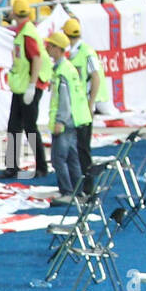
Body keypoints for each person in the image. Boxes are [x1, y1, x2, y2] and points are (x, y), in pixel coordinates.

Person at [0, 0, 51, 181]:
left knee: (30, 127)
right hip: (22, 85)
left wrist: (32, 86)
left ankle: (41, 166)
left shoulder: (27, 34)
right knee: (14, 126)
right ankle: (12, 166)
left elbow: (37, 59)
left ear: (14, 13)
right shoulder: (25, 31)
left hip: (29, 85)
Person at [44, 31, 89, 204]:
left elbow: (64, 99)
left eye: (50, 46)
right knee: (72, 158)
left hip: (65, 120)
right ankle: (78, 192)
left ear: (57, 49)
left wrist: (60, 121)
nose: (47, 48)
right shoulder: (69, 68)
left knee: (58, 159)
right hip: (74, 119)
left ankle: (67, 192)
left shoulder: (62, 71)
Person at [63, 18, 106, 177]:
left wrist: (90, 104)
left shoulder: (86, 52)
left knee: (82, 146)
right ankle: (78, 178)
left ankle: (87, 183)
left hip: (83, 106)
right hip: (74, 105)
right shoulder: (73, 53)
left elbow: (96, 77)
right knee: (74, 146)